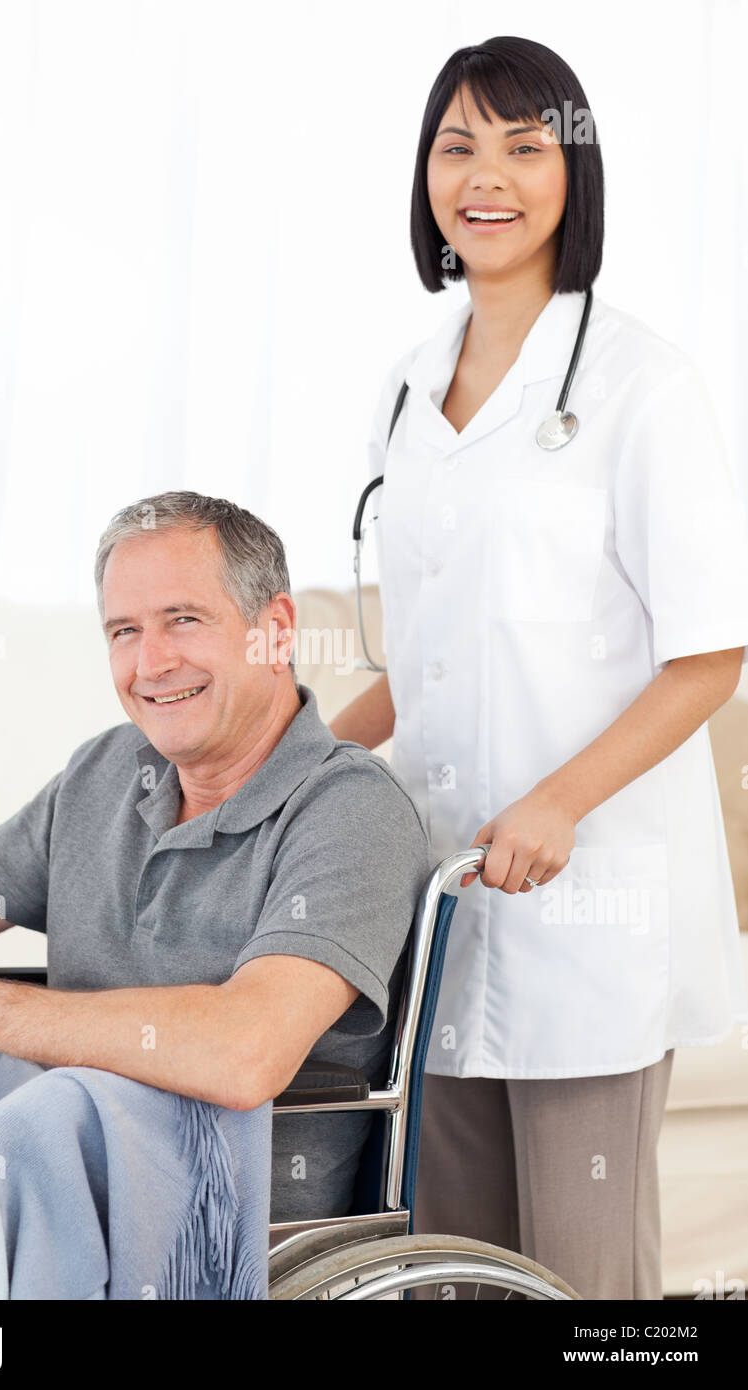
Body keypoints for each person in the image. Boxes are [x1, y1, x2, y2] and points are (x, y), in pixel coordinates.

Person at [331, 36, 748, 1300]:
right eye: (457, 145)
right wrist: (287, 771)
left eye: (524, 144)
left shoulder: (646, 388)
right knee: (451, 1271)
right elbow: (419, 655)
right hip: (443, 899)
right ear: (425, 178)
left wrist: (561, 799)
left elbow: (711, 652)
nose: (486, 175)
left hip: (588, 913)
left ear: (576, 174)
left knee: (583, 1279)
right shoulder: (407, 386)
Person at [0, 491, 432, 1244]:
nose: (150, 663)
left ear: (274, 630)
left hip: (208, 1194)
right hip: (37, 1134)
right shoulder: (109, 770)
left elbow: (245, 1048)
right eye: (124, 631)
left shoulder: (349, 809)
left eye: (183, 620)